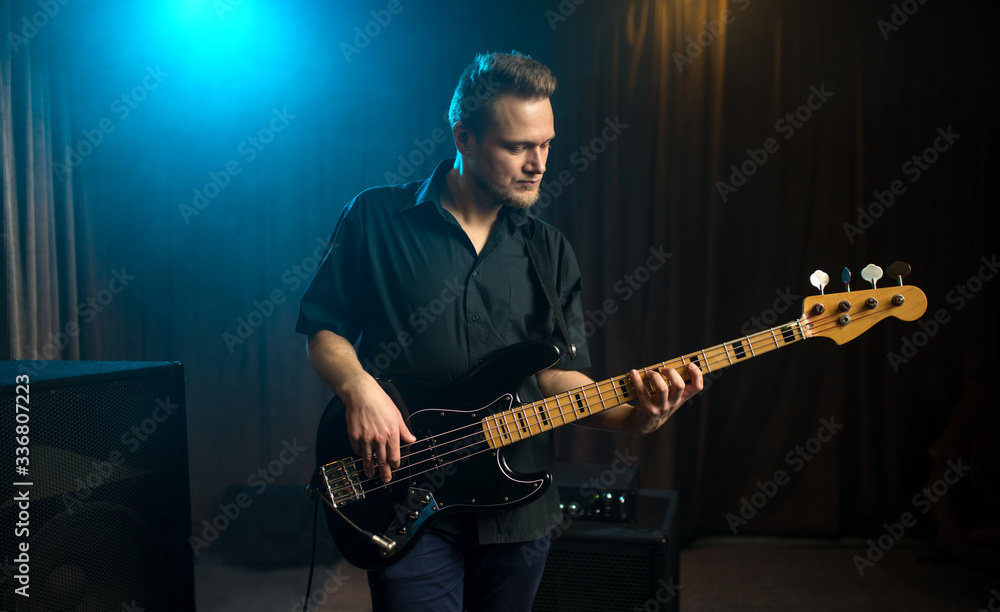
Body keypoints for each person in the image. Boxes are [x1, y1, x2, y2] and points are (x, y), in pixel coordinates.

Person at [296, 50, 703, 612]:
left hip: (519, 506)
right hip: (406, 489)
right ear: (463, 138)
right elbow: (323, 328)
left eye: (547, 144)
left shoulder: (549, 249)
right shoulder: (374, 218)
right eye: (518, 147)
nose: (538, 163)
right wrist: (358, 389)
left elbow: (555, 377)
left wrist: (635, 417)